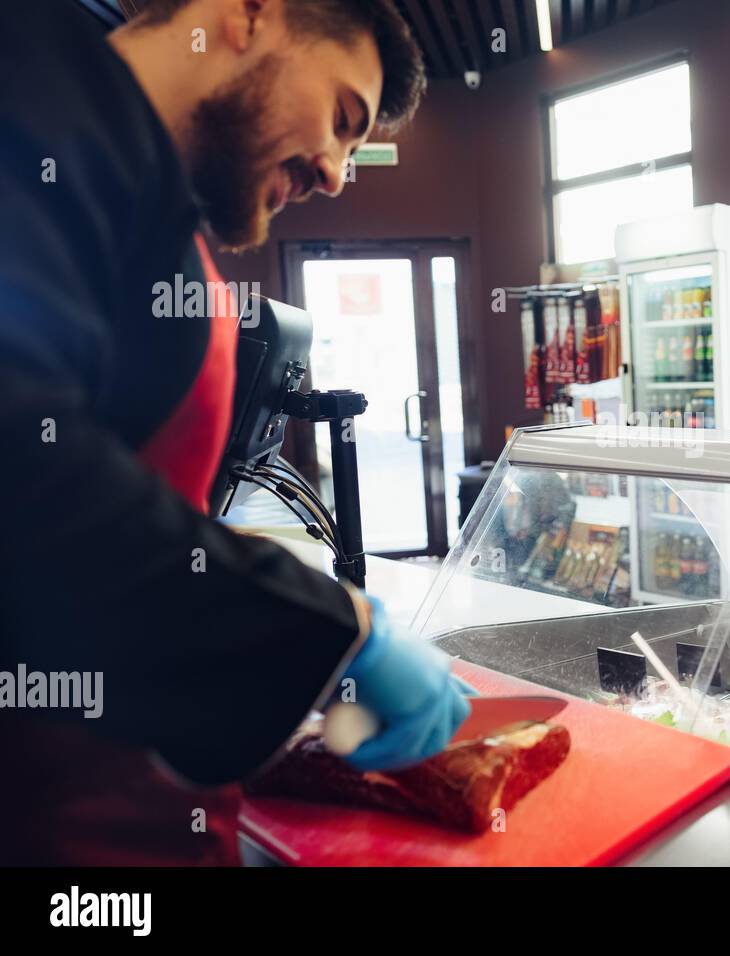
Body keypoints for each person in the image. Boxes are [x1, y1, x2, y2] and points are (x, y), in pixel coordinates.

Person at [0, 0, 469, 865]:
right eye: (342, 119)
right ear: (250, 14)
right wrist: (330, 632)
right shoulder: (29, 92)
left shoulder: (158, 216)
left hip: (129, 795)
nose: (335, 174)